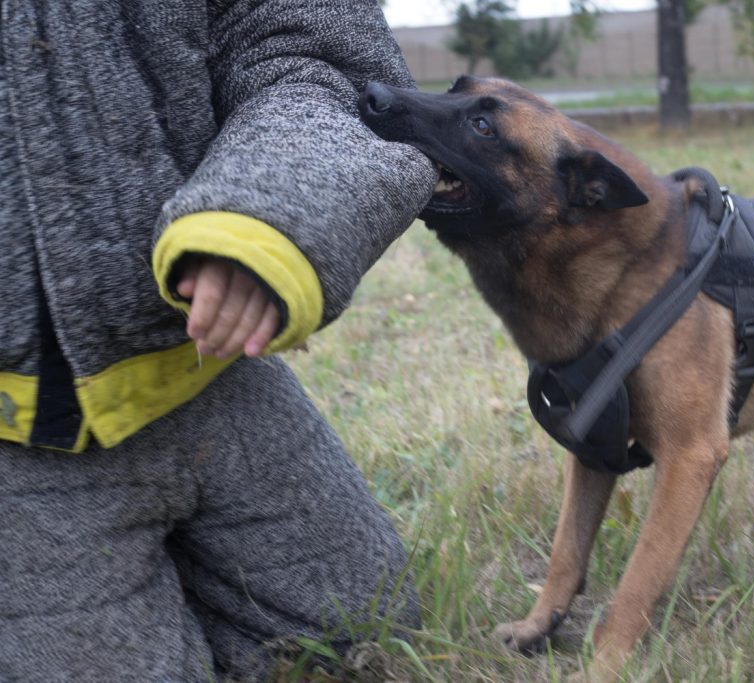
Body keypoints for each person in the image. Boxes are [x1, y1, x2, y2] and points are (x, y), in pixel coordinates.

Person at [0, 1, 436, 680]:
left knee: (365, 628)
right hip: (21, 433)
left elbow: (319, 54)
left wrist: (260, 218)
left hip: (210, 371)